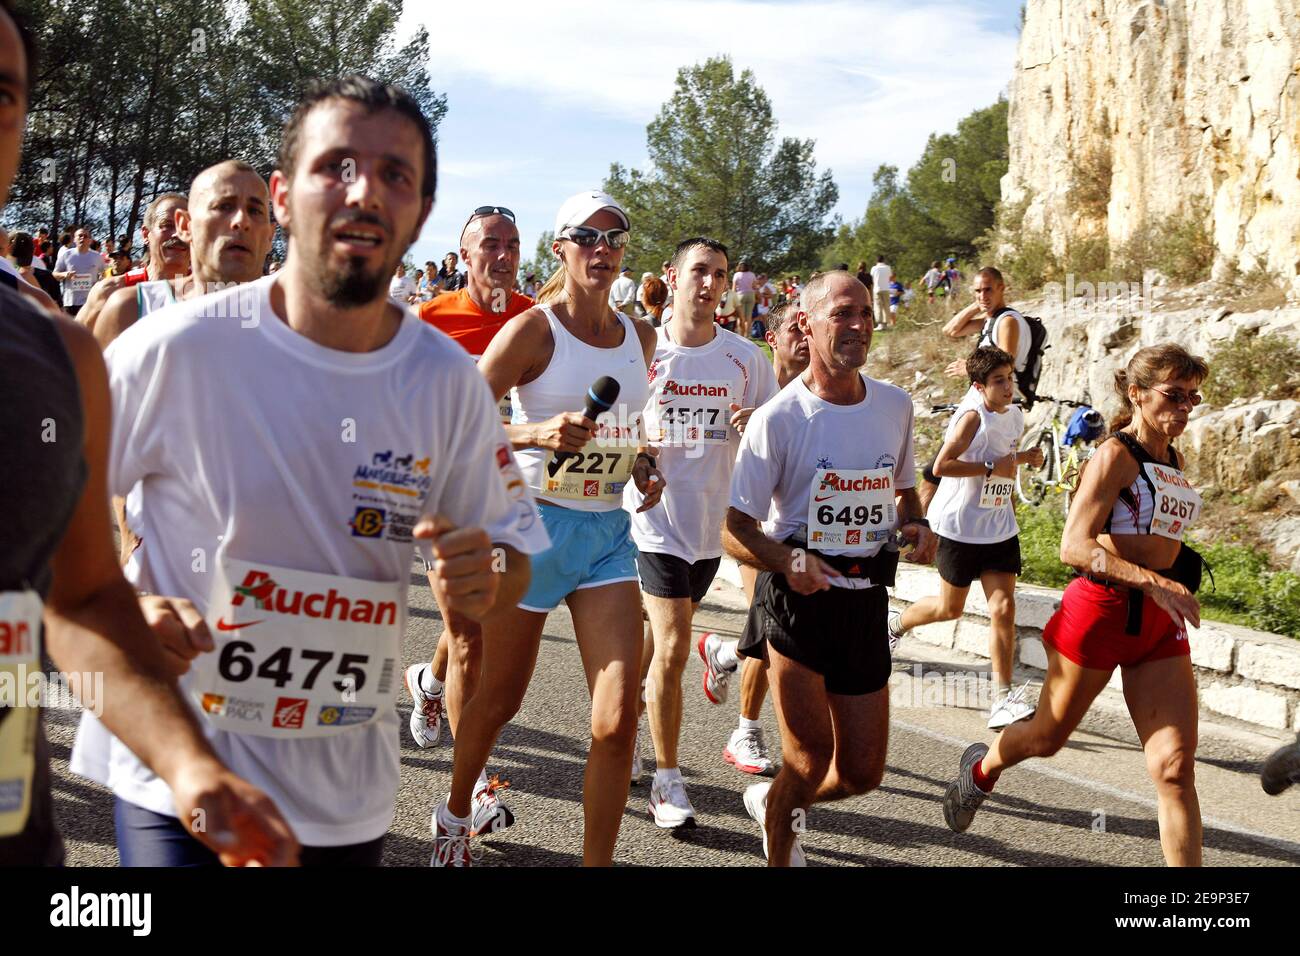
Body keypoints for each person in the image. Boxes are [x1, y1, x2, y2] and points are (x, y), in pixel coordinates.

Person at [69, 74, 541, 867]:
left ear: (420, 214)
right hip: (179, 772)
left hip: (341, 795)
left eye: (396, 176)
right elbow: (52, 544)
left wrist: (488, 578)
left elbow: (515, 561)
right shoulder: (175, 350)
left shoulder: (446, 382)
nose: (365, 192)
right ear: (284, 197)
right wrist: (127, 603)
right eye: (337, 167)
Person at [0, 0, 297, 867]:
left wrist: (188, 767)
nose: (238, 225)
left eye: (3, 96)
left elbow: (75, 599)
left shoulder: (53, 351)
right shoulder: (128, 317)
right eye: (220, 208)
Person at [432, 190, 663, 867]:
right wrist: (535, 430)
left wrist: (644, 461)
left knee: (618, 722)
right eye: (585, 237)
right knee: (495, 702)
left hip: (607, 539)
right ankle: (453, 813)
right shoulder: (535, 329)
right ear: (560, 249)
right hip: (530, 531)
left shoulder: (640, 337)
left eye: (614, 237)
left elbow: (626, 430)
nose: (601, 249)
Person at [942, 344, 1209, 866]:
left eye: (1192, 398)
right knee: (1045, 738)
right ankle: (982, 769)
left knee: (1175, 769)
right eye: (1173, 395)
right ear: (1136, 394)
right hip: (1101, 611)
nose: (1183, 408)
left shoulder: (1174, 458)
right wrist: (1152, 580)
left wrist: (1168, 579)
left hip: (1156, 621)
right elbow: (1074, 546)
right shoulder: (1114, 454)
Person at [724, 270, 935, 865]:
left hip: (865, 597)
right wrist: (791, 560)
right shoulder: (779, 418)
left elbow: (904, 492)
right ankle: (783, 837)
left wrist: (915, 524)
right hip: (796, 601)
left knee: (864, 772)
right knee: (808, 755)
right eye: (842, 313)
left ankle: (776, 802)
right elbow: (734, 529)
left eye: (866, 312)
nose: (859, 325)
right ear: (805, 323)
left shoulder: (894, 405)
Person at [631, 237, 779, 827]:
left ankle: (619, 727)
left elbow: (776, 437)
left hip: (709, 531)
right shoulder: (643, 349)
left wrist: (756, 427)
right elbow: (616, 423)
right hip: (653, 521)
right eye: (699, 271)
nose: (709, 283)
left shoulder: (746, 358)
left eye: (719, 274)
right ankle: (667, 781)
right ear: (671, 275)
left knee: (647, 644)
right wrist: (638, 455)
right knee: (669, 645)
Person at [407, 204, 539, 838]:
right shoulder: (430, 320)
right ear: (464, 257)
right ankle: (475, 789)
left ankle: (429, 683)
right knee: (471, 642)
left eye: (513, 243)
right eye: (490, 244)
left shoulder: (538, 320)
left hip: (522, 499)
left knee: (476, 629)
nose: (504, 254)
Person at [888, 347, 1044, 728]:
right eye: (999, 381)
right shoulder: (971, 418)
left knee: (1004, 609)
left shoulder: (1016, 415)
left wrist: (1024, 459)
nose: (1009, 387)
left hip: (999, 526)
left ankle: (1002, 698)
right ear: (979, 386)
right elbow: (942, 466)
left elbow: (1005, 462)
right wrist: (992, 466)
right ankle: (894, 625)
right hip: (959, 527)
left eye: (1010, 377)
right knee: (949, 609)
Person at [697, 301, 811, 777]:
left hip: (786, 530)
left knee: (768, 622)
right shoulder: (746, 375)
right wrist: (745, 429)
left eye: (810, 328)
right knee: (765, 625)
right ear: (774, 338)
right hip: (740, 524)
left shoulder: (822, 391)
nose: (804, 339)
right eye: (794, 329)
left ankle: (723, 656)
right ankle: (743, 730)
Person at [918, 265, 1032, 514]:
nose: (983, 295)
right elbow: (950, 330)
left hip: (991, 411)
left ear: (1002, 288)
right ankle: (1003, 533)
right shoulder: (991, 320)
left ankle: (916, 533)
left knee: (934, 474)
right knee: (999, 477)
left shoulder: (1007, 321)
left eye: (988, 289)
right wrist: (978, 305)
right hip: (989, 410)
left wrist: (968, 368)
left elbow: (1006, 363)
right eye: (978, 291)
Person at [78, 192, 190, 336]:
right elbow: (69, 350)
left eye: (185, 227)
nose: (177, 234)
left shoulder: (211, 294)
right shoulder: (110, 293)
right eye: (167, 225)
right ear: (145, 234)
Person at [51, 225, 102, 317]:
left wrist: (100, 282)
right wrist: (65, 274)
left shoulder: (97, 256)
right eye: (80, 236)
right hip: (70, 302)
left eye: (85, 236)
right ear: (74, 239)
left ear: (90, 241)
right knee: (70, 330)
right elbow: (55, 274)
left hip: (89, 301)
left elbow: (105, 272)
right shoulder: (67, 255)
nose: (82, 238)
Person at [732, 259, 757, 339]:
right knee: (749, 316)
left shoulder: (736, 275)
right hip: (750, 295)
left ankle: (740, 335)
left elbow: (733, 288)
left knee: (740, 316)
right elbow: (754, 286)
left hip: (740, 295)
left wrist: (733, 297)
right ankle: (747, 336)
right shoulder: (752, 274)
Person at [869, 255, 892, 332]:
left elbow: (872, 278)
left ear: (877, 260)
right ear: (883, 260)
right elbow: (890, 277)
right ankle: (886, 324)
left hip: (877, 289)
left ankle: (880, 324)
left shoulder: (874, 268)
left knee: (878, 306)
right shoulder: (888, 268)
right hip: (886, 288)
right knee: (886, 306)